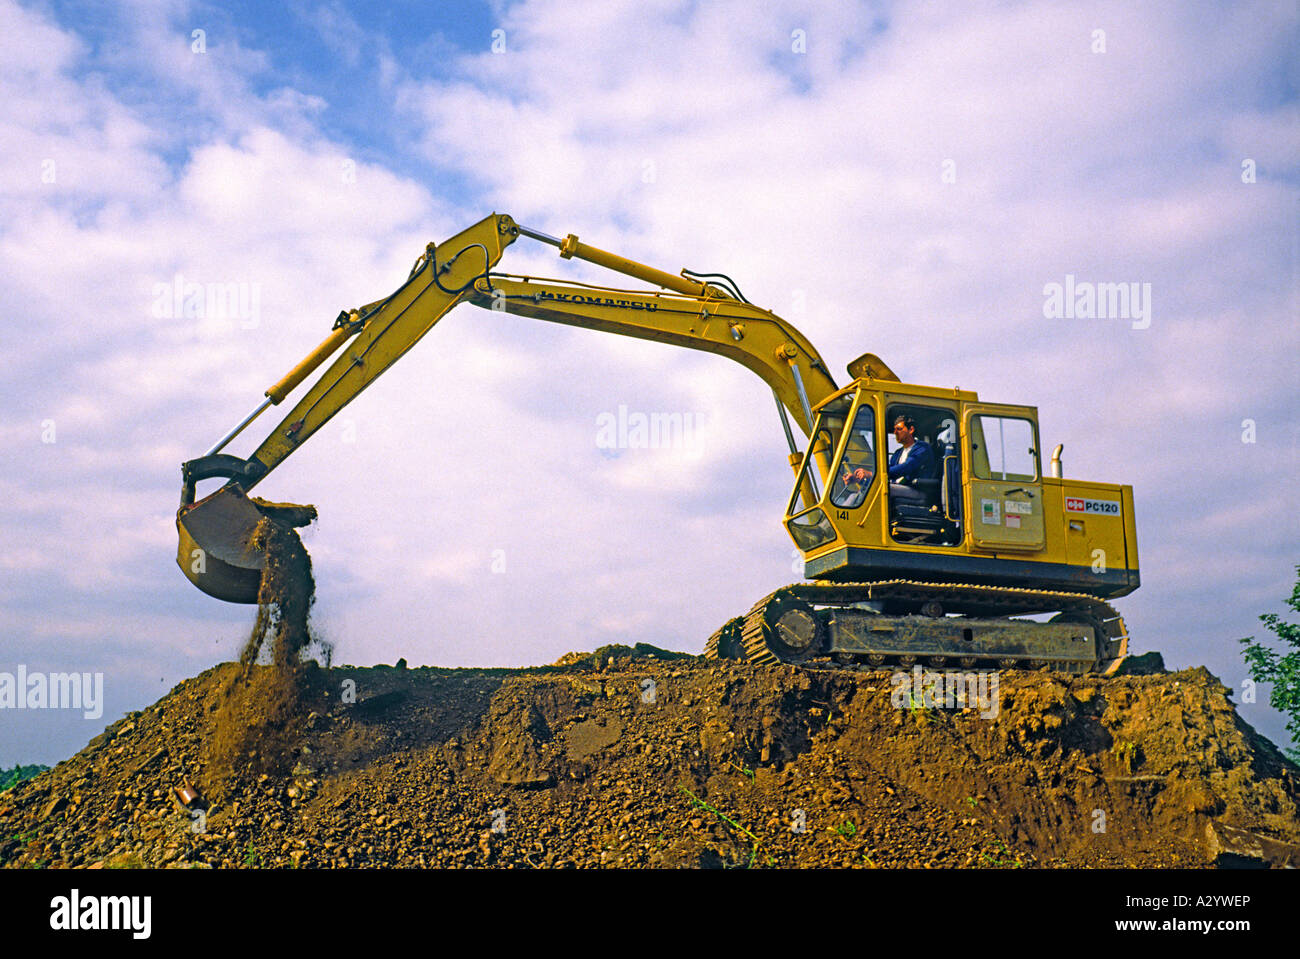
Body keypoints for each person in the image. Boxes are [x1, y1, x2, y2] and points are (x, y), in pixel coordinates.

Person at [887, 415, 934, 506]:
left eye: (899, 429)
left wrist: (875, 474)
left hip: (916, 489)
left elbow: (907, 467)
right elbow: (889, 468)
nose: (895, 432)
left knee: (885, 489)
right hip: (901, 487)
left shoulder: (922, 448)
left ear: (911, 430)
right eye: (894, 429)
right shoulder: (898, 453)